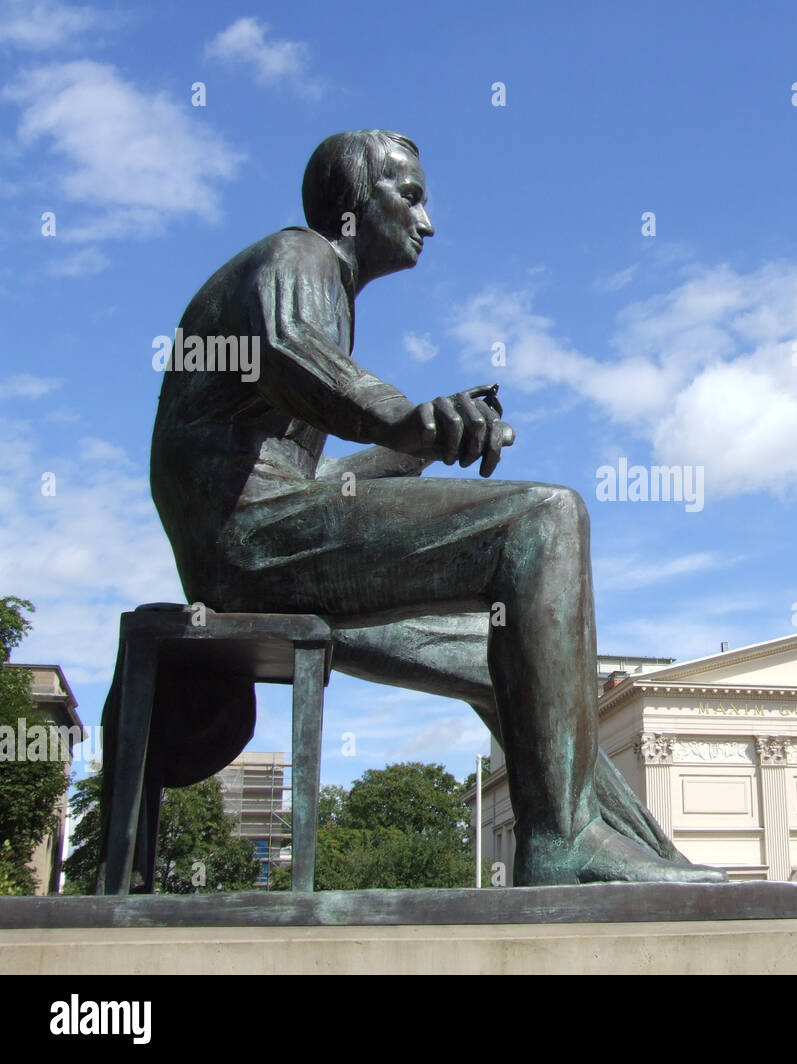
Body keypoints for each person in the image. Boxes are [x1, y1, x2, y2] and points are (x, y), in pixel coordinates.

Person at [148, 129, 724, 885]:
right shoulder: (302, 257)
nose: (429, 220)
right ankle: (563, 841)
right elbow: (294, 357)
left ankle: (635, 849)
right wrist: (409, 417)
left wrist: (414, 449)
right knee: (544, 519)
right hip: (247, 546)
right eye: (411, 196)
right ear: (354, 205)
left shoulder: (328, 290)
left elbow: (313, 479)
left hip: (264, 540)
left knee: (499, 654)